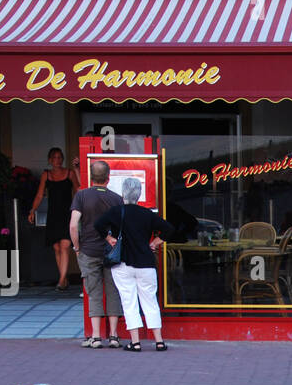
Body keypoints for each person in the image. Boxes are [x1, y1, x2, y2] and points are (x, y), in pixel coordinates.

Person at [94, 177, 182, 351]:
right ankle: (159, 341)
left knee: (129, 302)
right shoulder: (147, 214)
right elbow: (169, 229)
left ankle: (135, 342)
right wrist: (154, 243)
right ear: (139, 194)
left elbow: (98, 225)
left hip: (123, 264)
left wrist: (110, 238)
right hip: (146, 264)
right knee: (150, 301)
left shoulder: (116, 211)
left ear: (123, 194)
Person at [70, 160, 124, 348]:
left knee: (93, 293)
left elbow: (73, 224)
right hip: (111, 253)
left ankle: (96, 336)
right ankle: (114, 336)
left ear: (91, 177)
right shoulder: (117, 199)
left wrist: (77, 247)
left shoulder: (81, 196)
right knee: (113, 292)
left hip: (88, 250)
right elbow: (120, 227)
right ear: (108, 178)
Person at [29, 147, 80, 291]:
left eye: (60, 157)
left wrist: (79, 209)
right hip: (53, 214)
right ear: (50, 160)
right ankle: (63, 278)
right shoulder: (46, 175)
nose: (57, 160)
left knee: (65, 245)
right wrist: (33, 209)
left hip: (66, 213)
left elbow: (78, 190)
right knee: (56, 247)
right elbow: (40, 195)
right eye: (54, 158)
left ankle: (62, 279)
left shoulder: (69, 173)